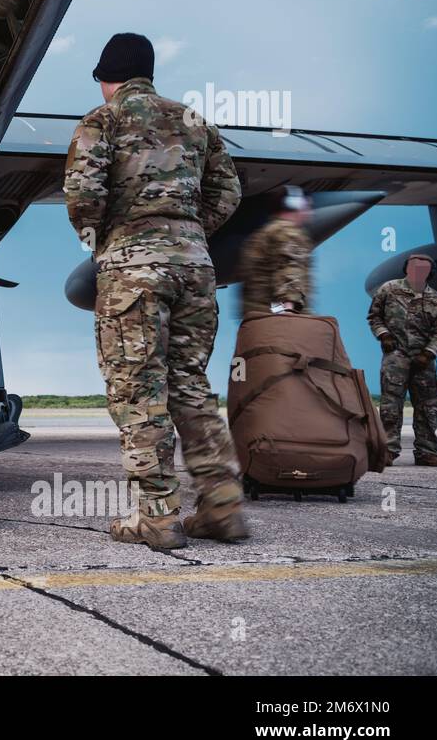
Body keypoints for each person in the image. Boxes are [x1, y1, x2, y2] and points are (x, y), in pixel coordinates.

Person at [63, 33, 246, 549]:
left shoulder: (100, 122)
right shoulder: (193, 120)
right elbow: (228, 190)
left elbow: (82, 197)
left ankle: (159, 517)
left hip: (132, 268)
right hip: (193, 265)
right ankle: (222, 508)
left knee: (138, 391)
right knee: (189, 384)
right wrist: (188, 230)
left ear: (105, 78)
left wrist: (111, 241)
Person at [367, 253, 437, 467]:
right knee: (390, 406)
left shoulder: (436, 299)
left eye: (424, 268)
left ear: (430, 272)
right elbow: (374, 316)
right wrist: (383, 335)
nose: (419, 271)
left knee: (428, 407)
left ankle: (426, 451)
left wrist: (429, 352)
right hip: (395, 356)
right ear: (406, 269)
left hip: (424, 359)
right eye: (414, 267)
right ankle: (387, 450)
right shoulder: (388, 289)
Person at [237, 186, 313, 316]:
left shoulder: (260, 236)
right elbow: (290, 273)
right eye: (307, 205)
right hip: (281, 323)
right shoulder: (288, 232)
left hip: (255, 322)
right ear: (292, 204)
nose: (310, 211)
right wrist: (289, 311)